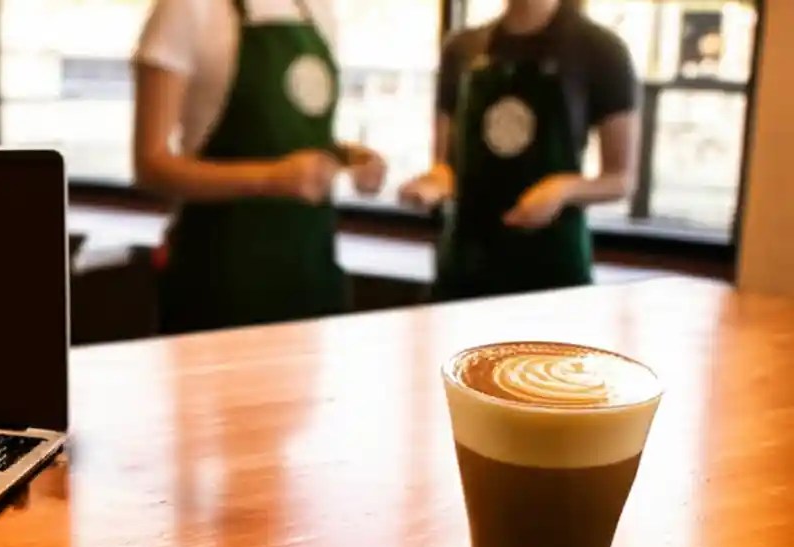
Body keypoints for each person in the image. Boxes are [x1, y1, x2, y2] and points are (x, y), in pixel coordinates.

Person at [133, 0, 387, 334]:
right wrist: (272, 178)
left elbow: (291, 135)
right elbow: (150, 164)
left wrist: (350, 158)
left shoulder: (315, 10)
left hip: (312, 275)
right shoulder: (187, 9)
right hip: (221, 284)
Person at [399, 0, 639, 301]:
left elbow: (620, 179)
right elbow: (446, 166)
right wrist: (430, 185)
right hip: (466, 265)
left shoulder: (601, 50)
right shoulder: (462, 49)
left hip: (552, 268)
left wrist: (561, 190)